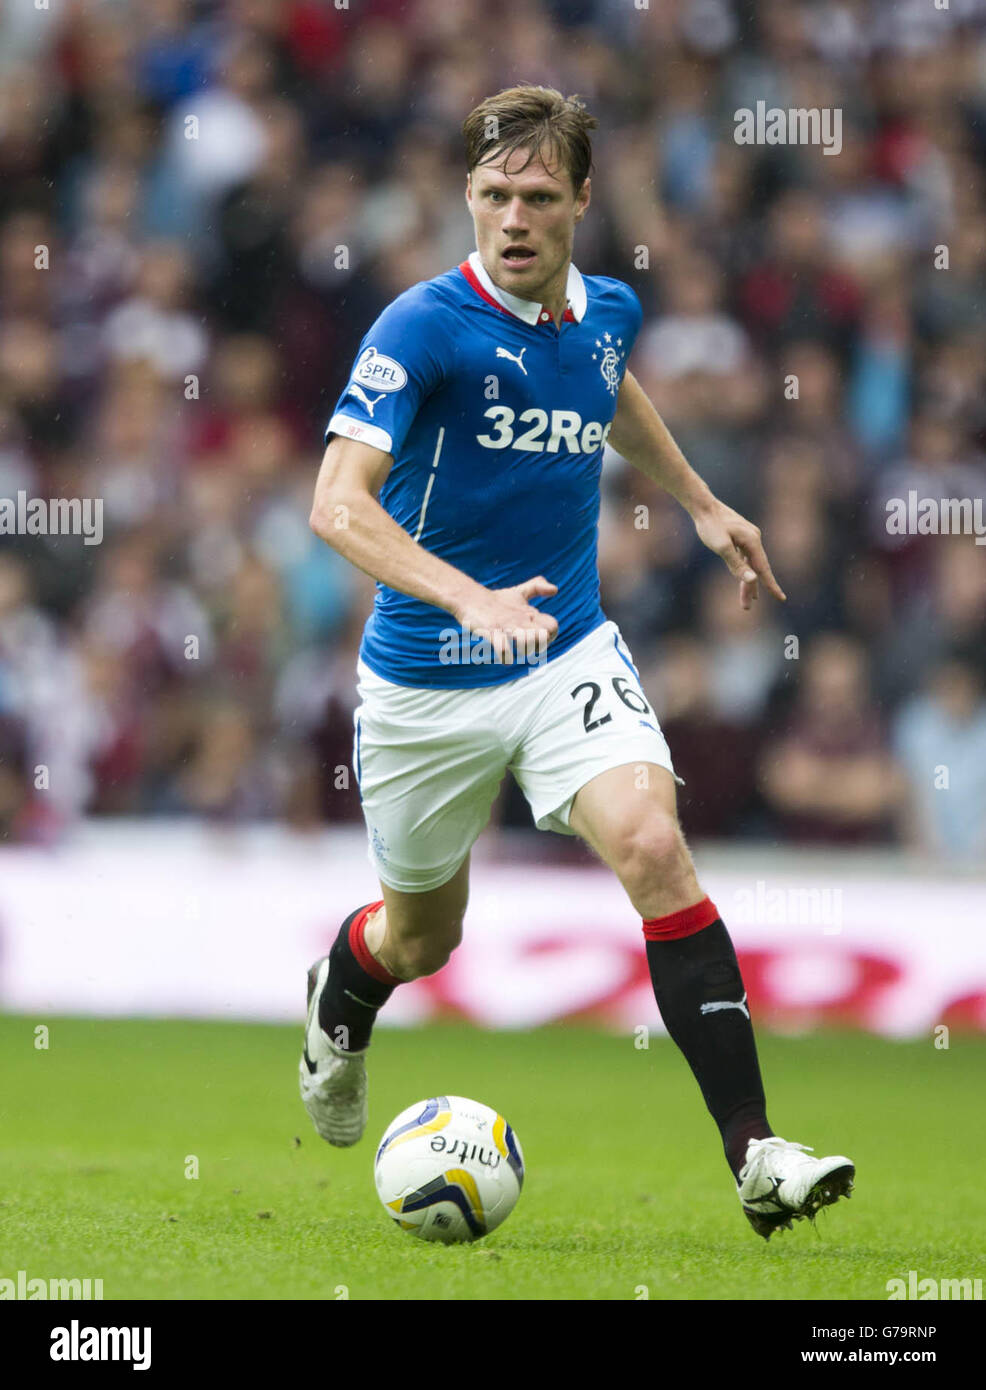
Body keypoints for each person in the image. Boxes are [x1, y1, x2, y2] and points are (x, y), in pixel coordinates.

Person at [301, 86, 853, 1240]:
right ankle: (343, 995)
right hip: (423, 684)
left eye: (537, 197)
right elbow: (334, 507)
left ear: (580, 203)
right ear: (466, 196)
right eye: (494, 194)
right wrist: (465, 595)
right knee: (420, 938)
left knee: (653, 844)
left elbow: (605, 388)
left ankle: (754, 1152)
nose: (513, 217)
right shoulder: (420, 326)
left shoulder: (608, 310)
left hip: (562, 654)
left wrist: (698, 502)